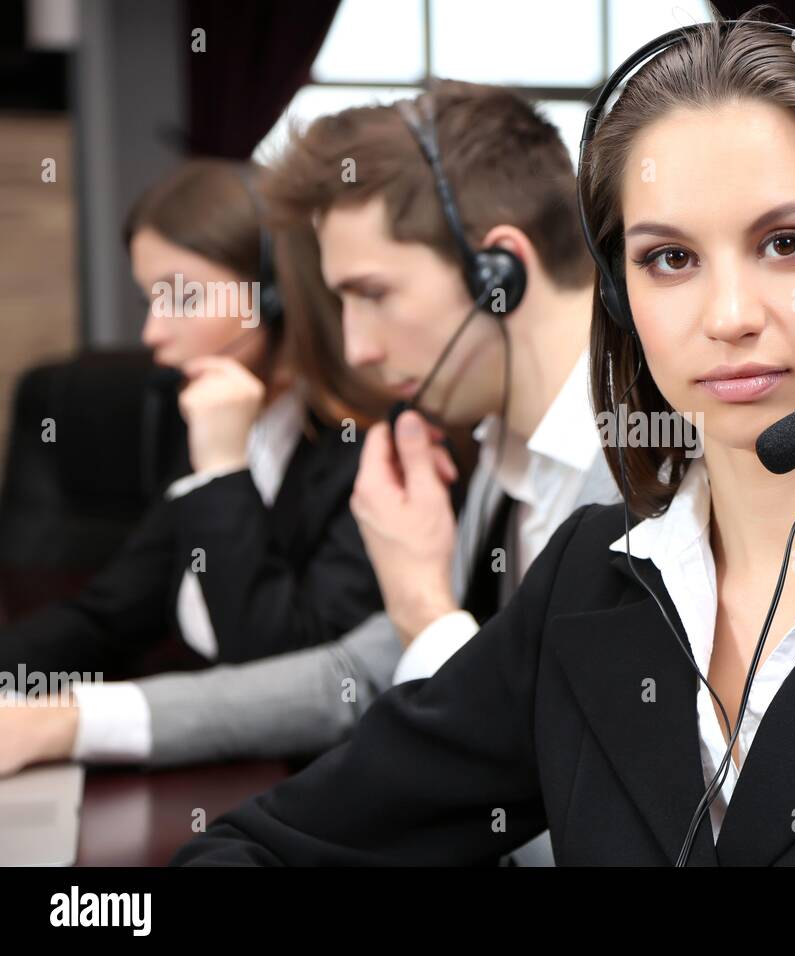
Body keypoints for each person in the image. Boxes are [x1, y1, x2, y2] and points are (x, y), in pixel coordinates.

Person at [174, 15, 795, 866]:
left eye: (787, 242)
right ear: (618, 293)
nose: (729, 313)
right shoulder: (590, 579)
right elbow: (272, 845)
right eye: (668, 258)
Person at [1, 86, 620, 869]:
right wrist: (66, 720)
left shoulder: (647, 474)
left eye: (371, 294)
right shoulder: (492, 451)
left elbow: (577, 815)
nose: (354, 346)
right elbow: (359, 672)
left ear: (501, 271)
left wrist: (424, 605)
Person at [0, 160, 382, 701]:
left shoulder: (366, 448)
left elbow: (272, 667)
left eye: (181, 296)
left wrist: (223, 469)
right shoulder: (223, 417)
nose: (152, 333)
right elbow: (110, 617)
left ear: (271, 294)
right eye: (147, 300)